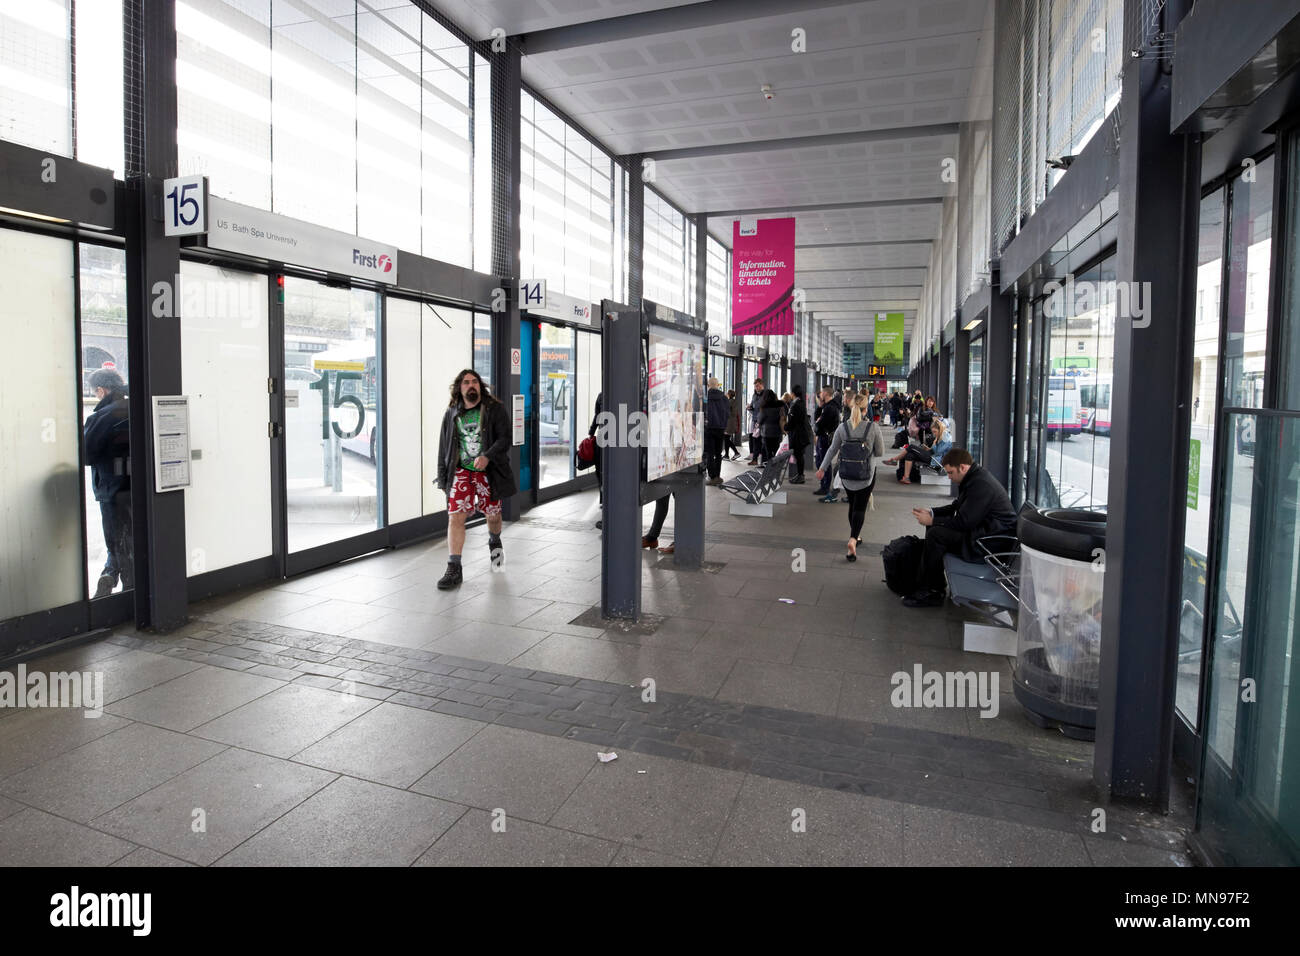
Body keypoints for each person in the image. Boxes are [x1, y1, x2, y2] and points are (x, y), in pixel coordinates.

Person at [903, 448, 1017, 607]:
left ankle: (932, 591)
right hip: (984, 533)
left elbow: (964, 522)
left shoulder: (981, 485)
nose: (949, 477)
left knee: (936, 534)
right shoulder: (973, 479)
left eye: (950, 473)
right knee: (934, 531)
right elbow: (956, 507)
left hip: (990, 543)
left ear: (962, 467)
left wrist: (932, 521)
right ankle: (932, 585)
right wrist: (932, 513)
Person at [436, 369, 516, 589]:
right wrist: (443, 478)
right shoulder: (452, 412)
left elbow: (505, 438)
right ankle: (454, 568)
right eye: (465, 382)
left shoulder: (494, 409)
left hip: (488, 474)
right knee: (455, 518)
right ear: (459, 388)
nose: (470, 385)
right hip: (461, 473)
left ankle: (495, 541)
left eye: (474, 382)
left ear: (480, 386)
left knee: (493, 516)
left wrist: (487, 456)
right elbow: (444, 446)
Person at [83, 368, 133, 598]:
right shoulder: (135, 407)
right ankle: (114, 575)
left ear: (101, 391)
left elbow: (86, 454)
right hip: (136, 487)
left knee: (115, 538)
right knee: (131, 538)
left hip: (111, 489)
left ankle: (118, 581)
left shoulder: (102, 417)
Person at [817, 393, 884, 559]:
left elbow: (832, 450)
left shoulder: (843, 427)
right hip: (866, 475)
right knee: (860, 507)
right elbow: (880, 452)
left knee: (852, 505)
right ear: (865, 408)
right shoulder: (873, 427)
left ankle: (855, 535)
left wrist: (822, 468)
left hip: (846, 474)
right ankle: (853, 539)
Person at [886, 417, 953, 484]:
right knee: (910, 455)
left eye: (935, 432)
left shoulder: (946, 438)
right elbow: (935, 450)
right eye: (933, 432)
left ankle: (895, 460)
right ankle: (906, 478)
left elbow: (938, 452)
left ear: (940, 429)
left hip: (935, 460)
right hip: (932, 455)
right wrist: (928, 448)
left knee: (911, 447)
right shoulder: (941, 436)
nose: (934, 434)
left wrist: (934, 443)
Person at [813, 386, 842, 500]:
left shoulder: (830, 408)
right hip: (824, 436)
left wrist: (818, 423)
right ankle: (824, 485)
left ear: (826, 393)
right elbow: (817, 419)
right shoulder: (827, 406)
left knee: (824, 461)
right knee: (821, 460)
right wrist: (820, 406)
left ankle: (825, 486)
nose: (821, 394)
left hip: (825, 437)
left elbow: (820, 423)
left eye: (822, 392)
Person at [785, 383, 812, 483]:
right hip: (800, 434)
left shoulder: (796, 405)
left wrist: (786, 426)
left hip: (798, 436)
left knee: (799, 455)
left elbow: (793, 420)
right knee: (799, 455)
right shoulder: (800, 403)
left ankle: (800, 476)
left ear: (793, 394)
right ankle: (800, 475)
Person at [704, 377, 728, 485]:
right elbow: (727, 413)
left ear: (708, 385)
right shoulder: (724, 398)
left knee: (709, 453)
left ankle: (712, 476)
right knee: (718, 453)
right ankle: (718, 475)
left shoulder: (705, 397)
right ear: (718, 385)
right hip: (720, 428)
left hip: (708, 428)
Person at [758, 388, 784, 462]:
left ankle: (769, 469)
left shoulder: (764, 407)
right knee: (776, 450)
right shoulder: (779, 406)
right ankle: (776, 467)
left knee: (768, 452)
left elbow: (760, 420)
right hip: (777, 432)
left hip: (767, 432)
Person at [589, 390, 603, 529]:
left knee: (601, 471)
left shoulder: (602, 395)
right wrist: (591, 432)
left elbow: (597, 416)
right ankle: (604, 497)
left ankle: (605, 497)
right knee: (600, 470)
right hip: (602, 438)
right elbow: (597, 416)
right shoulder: (601, 395)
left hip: (605, 439)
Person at [746, 378, 765, 465]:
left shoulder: (765, 395)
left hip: (763, 421)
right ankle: (755, 459)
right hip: (755, 421)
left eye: (757, 386)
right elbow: (753, 407)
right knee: (756, 440)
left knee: (763, 441)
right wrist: (750, 408)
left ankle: (763, 460)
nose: (756, 388)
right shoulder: (754, 396)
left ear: (762, 385)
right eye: (755, 386)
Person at [725, 389, 743, 459]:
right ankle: (727, 455)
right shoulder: (733, 402)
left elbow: (731, 413)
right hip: (730, 423)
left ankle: (736, 453)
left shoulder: (730, 402)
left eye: (727, 393)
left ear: (729, 394)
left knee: (727, 439)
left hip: (729, 424)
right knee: (727, 439)